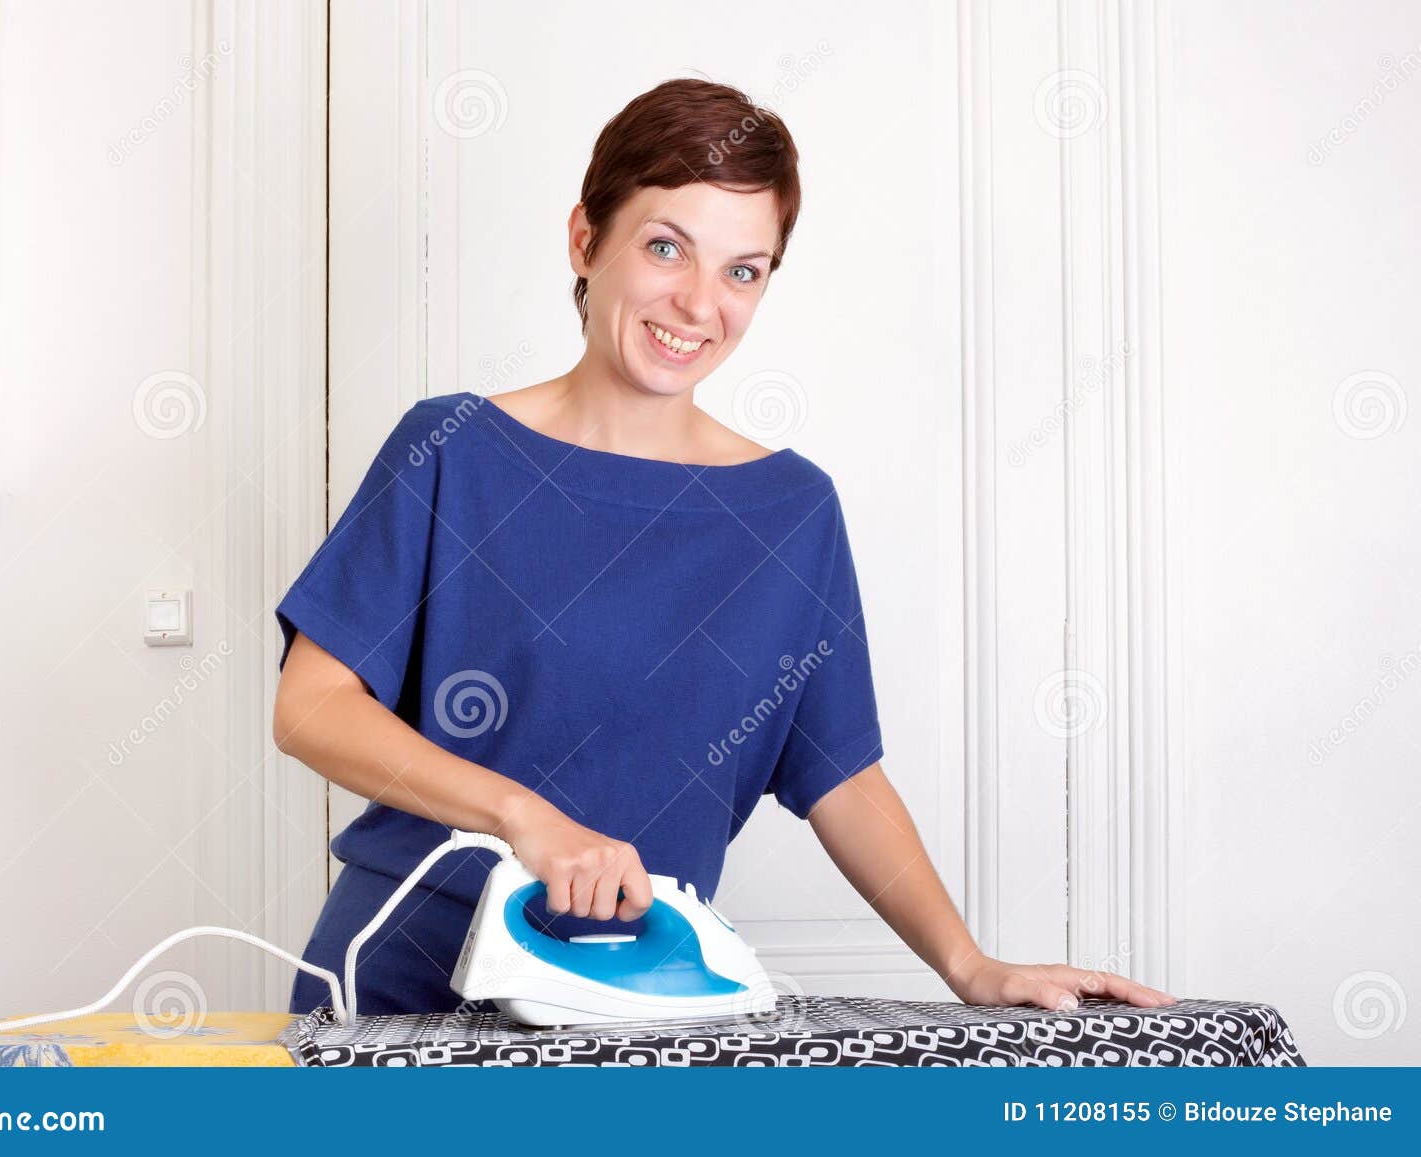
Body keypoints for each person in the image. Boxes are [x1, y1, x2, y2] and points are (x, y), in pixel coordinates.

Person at [272, 77, 1177, 1017]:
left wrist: (969, 965)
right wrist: (524, 818)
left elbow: (842, 774)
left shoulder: (789, 511)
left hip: (637, 1006)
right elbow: (311, 706)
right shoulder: (453, 451)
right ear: (587, 239)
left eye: (744, 270)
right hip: (397, 979)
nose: (700, 305)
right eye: (667, 247)